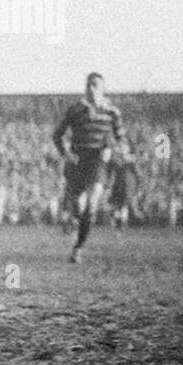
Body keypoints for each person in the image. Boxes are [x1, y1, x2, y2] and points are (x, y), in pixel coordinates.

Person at [53, 72, 124, 262]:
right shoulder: (75, 110)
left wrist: (110, 149)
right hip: (77, 161)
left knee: (91, 205)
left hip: (97, 162)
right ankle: (74, 220)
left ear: (103, 88)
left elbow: (121, 138)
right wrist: (66, 154)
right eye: (88, 85)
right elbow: (57, 135)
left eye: (95, 85)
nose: (91, 89)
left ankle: (78, 248)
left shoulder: (112, 112)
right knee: (79, 206)